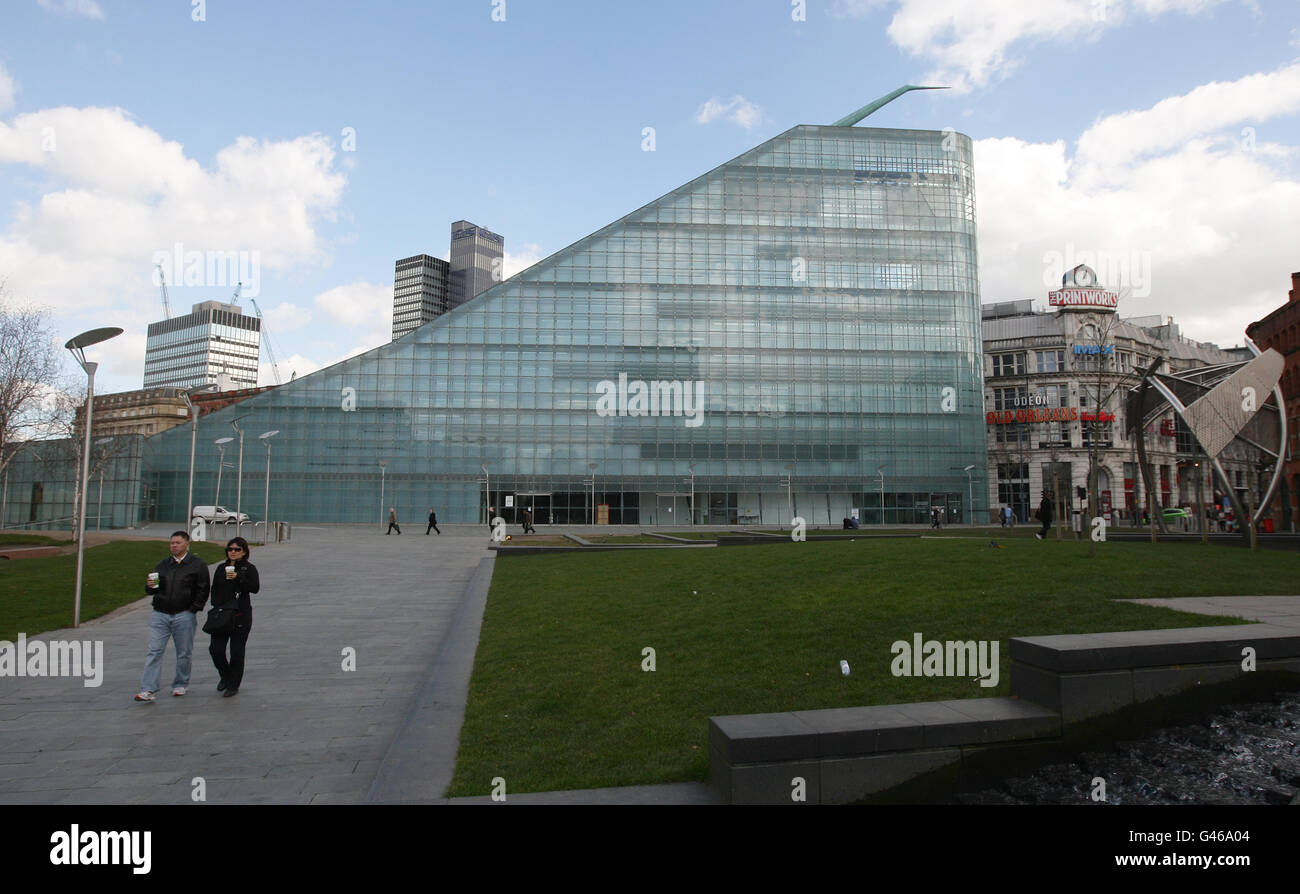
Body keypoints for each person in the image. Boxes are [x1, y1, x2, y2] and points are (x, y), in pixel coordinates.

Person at [136, 531, 210, 701]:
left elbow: (203, 588)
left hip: (184, 614)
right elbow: (152, 589)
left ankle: (180, 683)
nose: (174, 546)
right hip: (160, 613)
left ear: (187, 544)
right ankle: (148, 688)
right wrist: (150, 587)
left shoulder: (197, 565)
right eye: (171, 543)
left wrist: (194, 608)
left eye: (177, 542)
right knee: (154, 650)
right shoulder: (163, 565)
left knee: (183, 652)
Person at [207, 536, 260, 698]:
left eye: (237, 549)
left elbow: (255, 588)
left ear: (244, 552)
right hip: (222, 614)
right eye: (230, 549)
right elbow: (214, 589)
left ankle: (233, 684)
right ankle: (225, 675)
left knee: (236, 651)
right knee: (215, 649)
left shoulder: (248, 568)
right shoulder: (221, 568)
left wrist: (238, 578)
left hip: (240, 615)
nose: (233, 552)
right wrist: (216, 606)